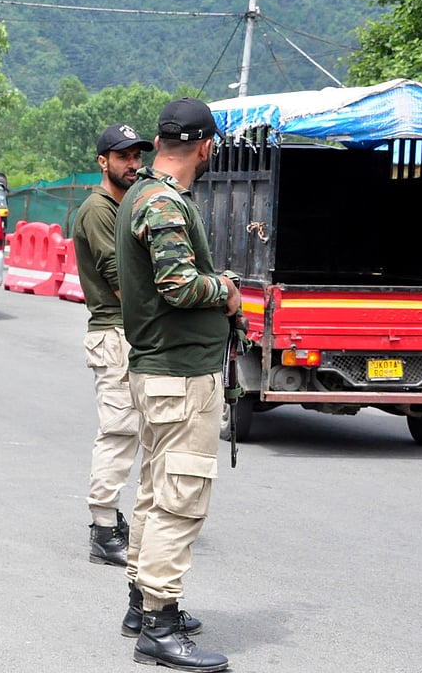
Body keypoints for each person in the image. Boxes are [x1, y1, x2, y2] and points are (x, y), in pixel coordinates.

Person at [114, 98, 241, 672]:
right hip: (179, 374)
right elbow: (178, 285)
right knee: (180, 500)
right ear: (206, 147)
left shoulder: (140, 193)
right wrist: (227, 291)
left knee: (154, 492)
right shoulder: (164, 202)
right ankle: (159, 627)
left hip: (161, 371)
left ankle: (143, 607)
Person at [72, 124, 152, 567]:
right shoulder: (98, 210)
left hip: (135, 332)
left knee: (140, 431)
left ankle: (118, 520)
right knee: (120, 431)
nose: (133, 164)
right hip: (115, 331)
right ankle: (103, 530)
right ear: (103, 161)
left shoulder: (128, 206)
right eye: (123, 157)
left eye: (137, 156)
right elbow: (120, 280)